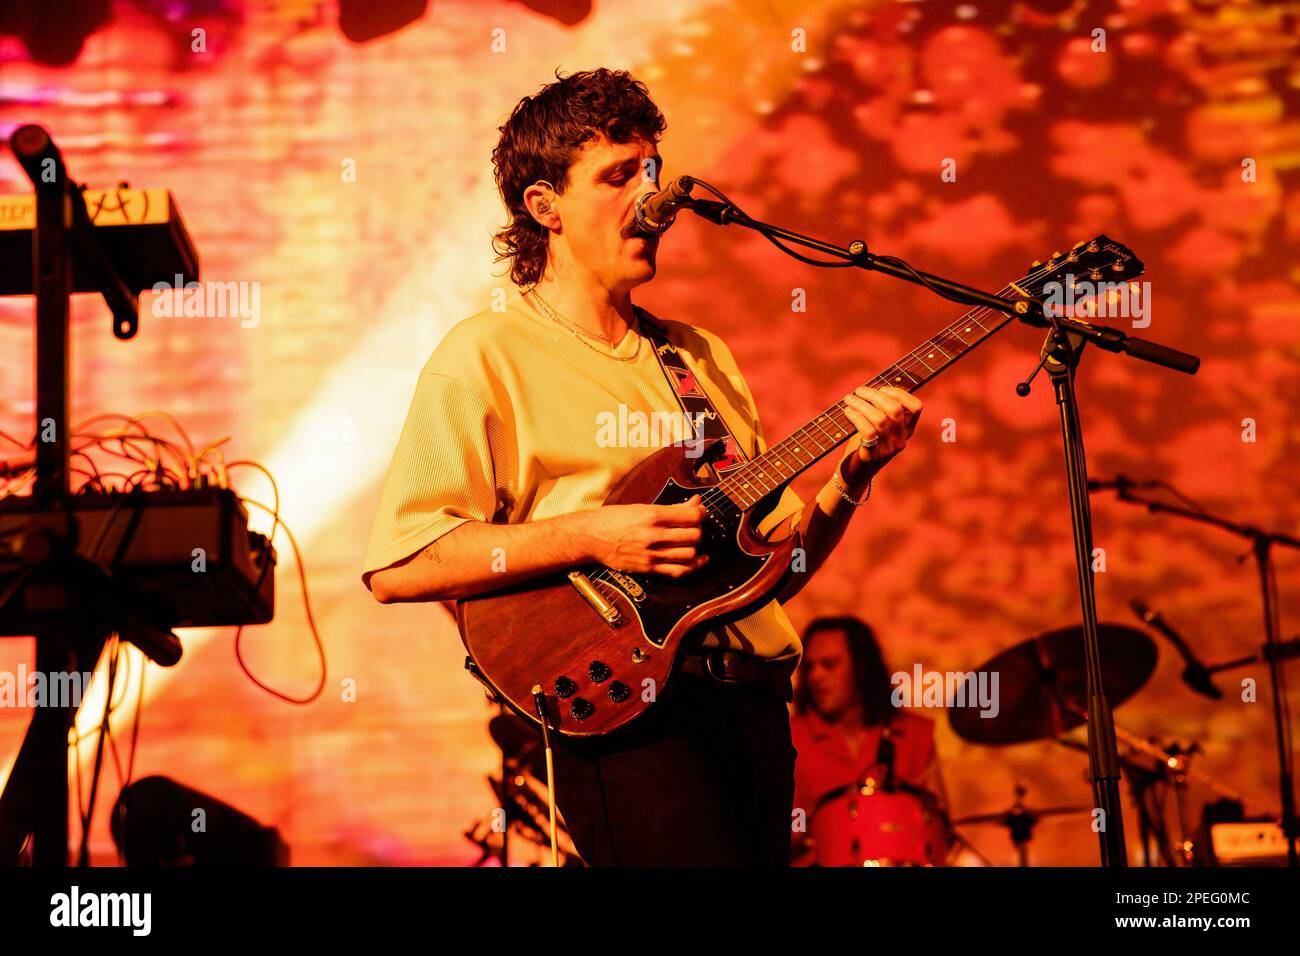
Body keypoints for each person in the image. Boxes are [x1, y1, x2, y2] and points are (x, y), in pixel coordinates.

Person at [362, 68, 923, 866]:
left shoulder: (698, 357)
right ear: (544, 206)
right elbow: (401, 563)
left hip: (756, 703)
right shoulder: (484, 354)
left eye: (653, 172)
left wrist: (854, 475)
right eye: (618, 176)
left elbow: (774, 571)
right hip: (628, 713)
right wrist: (593, 536)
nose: (652, 197)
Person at [790, 616, 948, 866]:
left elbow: (940, 830)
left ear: (862, 668)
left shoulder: (915, 735)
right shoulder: (790, 738)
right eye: (809, 667)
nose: (815, 677)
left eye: (829, 665)